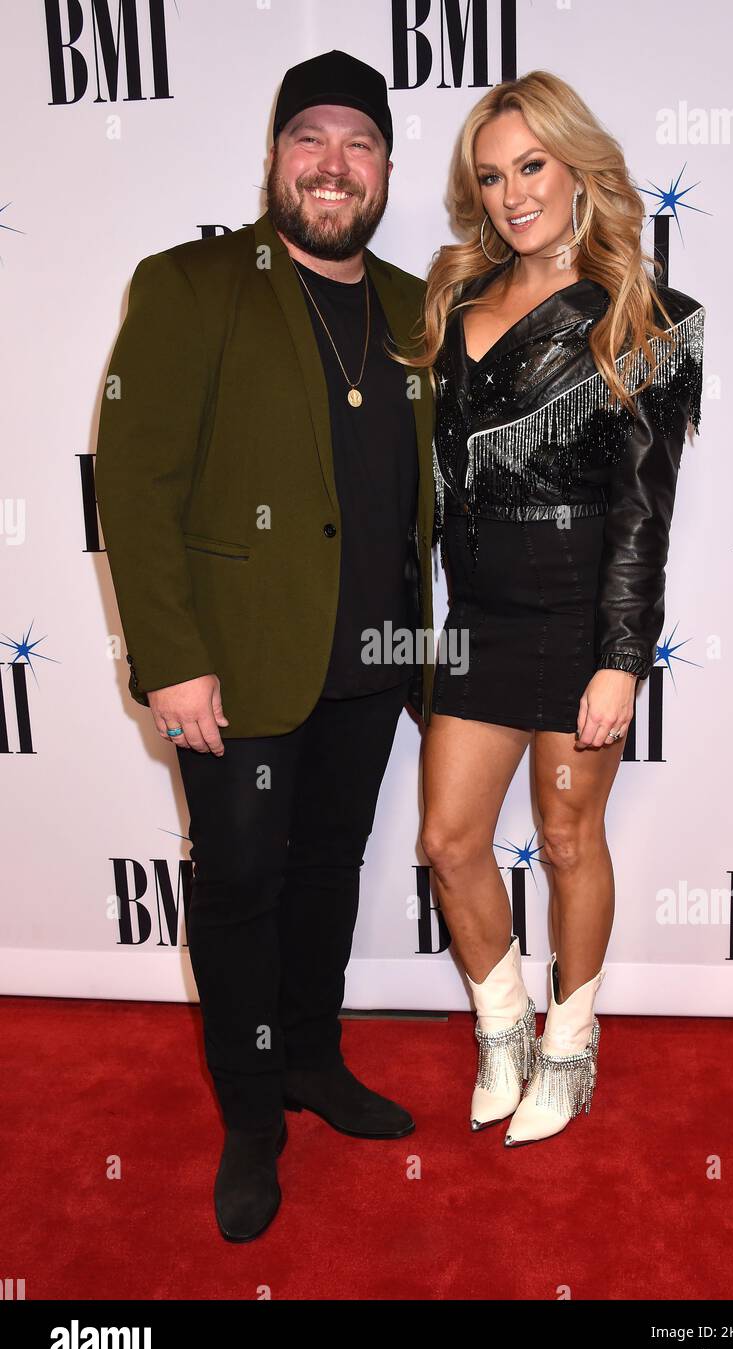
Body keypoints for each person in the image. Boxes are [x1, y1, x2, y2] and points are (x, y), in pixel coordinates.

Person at [94, 50, 436, 1240]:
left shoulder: (409, 304)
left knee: (329, 872)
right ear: (276, 157)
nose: (333, 165)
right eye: (311, 139)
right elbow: (134, 488)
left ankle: (310, 1059)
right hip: (232, 670)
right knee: (239, 884)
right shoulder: (192, 284)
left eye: (358, 144)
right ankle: (250, 1109)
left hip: (369, 664)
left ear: (386, 167)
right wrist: (170, 656)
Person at [398, 70, 704, 1146]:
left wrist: (620, 656)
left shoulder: (642, 317)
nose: (511, 193)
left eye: (530, 166)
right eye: (490, 176)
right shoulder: (450, 302)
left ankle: (570, 1047)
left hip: (581, 616)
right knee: (446, 838)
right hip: (479, 613)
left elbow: (642, 508)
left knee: (569, 840)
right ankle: (503, 1027)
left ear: (576, 168)